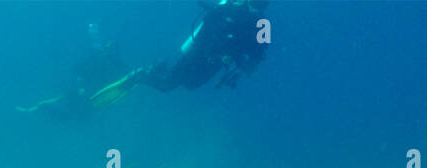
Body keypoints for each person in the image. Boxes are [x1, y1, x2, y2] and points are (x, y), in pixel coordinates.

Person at [89, 0, 268, 109]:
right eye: (255, 2)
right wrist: (219, 53)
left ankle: (158, 68)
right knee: (168, 84)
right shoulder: (230, 12)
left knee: (190, 85)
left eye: (262, 3)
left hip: (213, 64)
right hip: (199, 56)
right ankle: (141, 75)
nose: (257, 8)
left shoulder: (260, 24)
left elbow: (257, 53)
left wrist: (242, 66)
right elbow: (208, 31)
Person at [17, 22, 126, 120]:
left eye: (110, 49)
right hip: (83, 91)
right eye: (108, 48)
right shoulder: (100, 59)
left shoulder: (111, 61)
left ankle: (33, 110)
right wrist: (80, 85)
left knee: (63, 108)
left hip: (89, 92)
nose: (107, 51)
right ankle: (32, 110)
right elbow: (81, 69)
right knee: (61, 106)